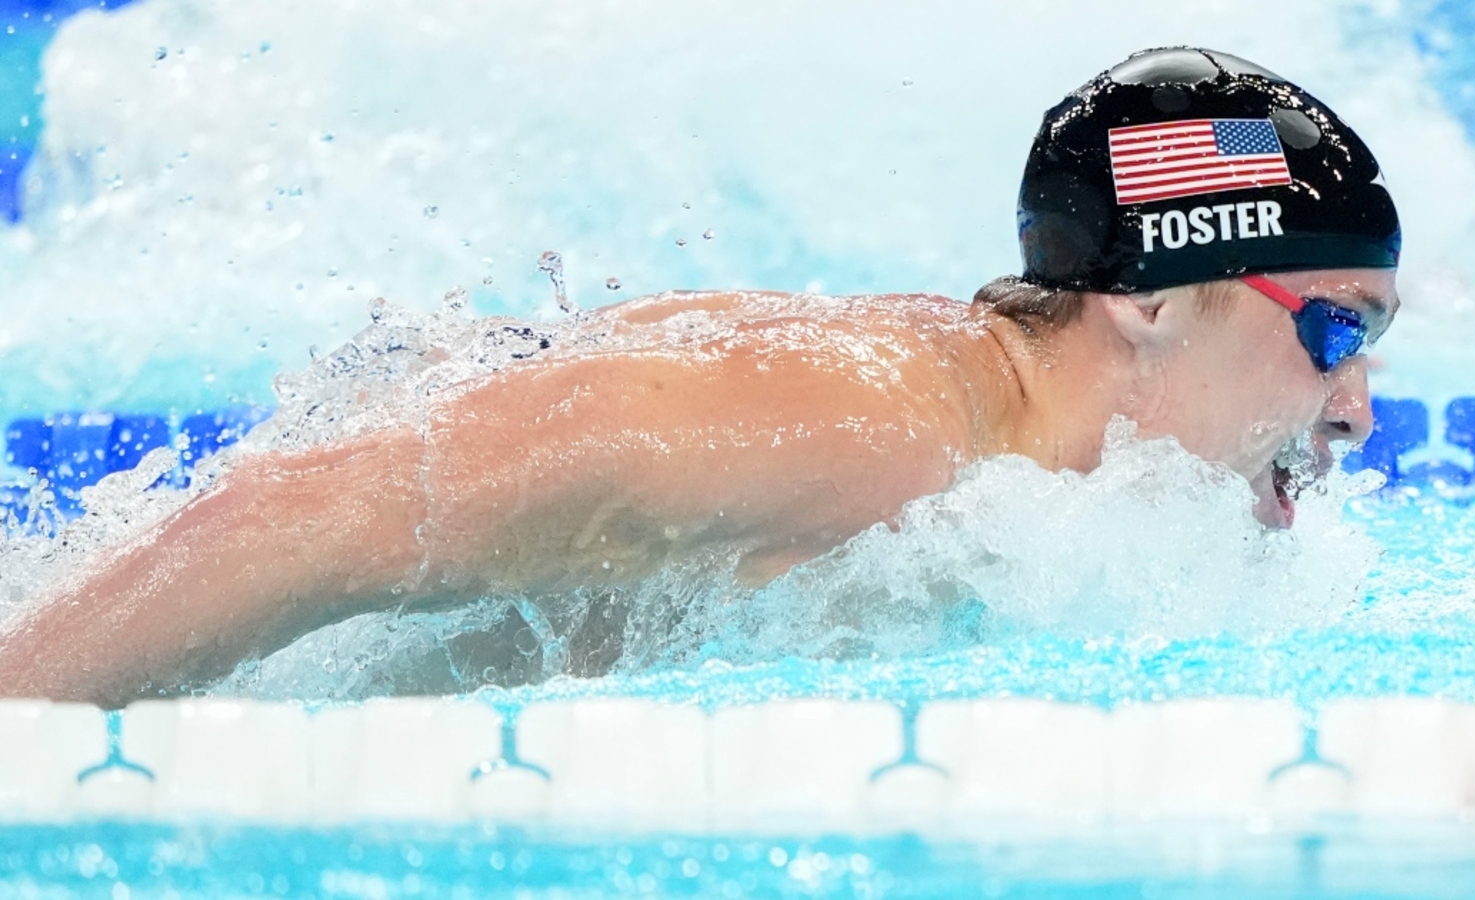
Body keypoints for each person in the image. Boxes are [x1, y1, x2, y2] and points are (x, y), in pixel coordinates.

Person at [0, 46, 1400, 707]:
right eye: (1337, 331)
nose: (1356, 409)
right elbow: (312, 515)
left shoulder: (1003, 464)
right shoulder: (860, 427)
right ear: (1152, 299)